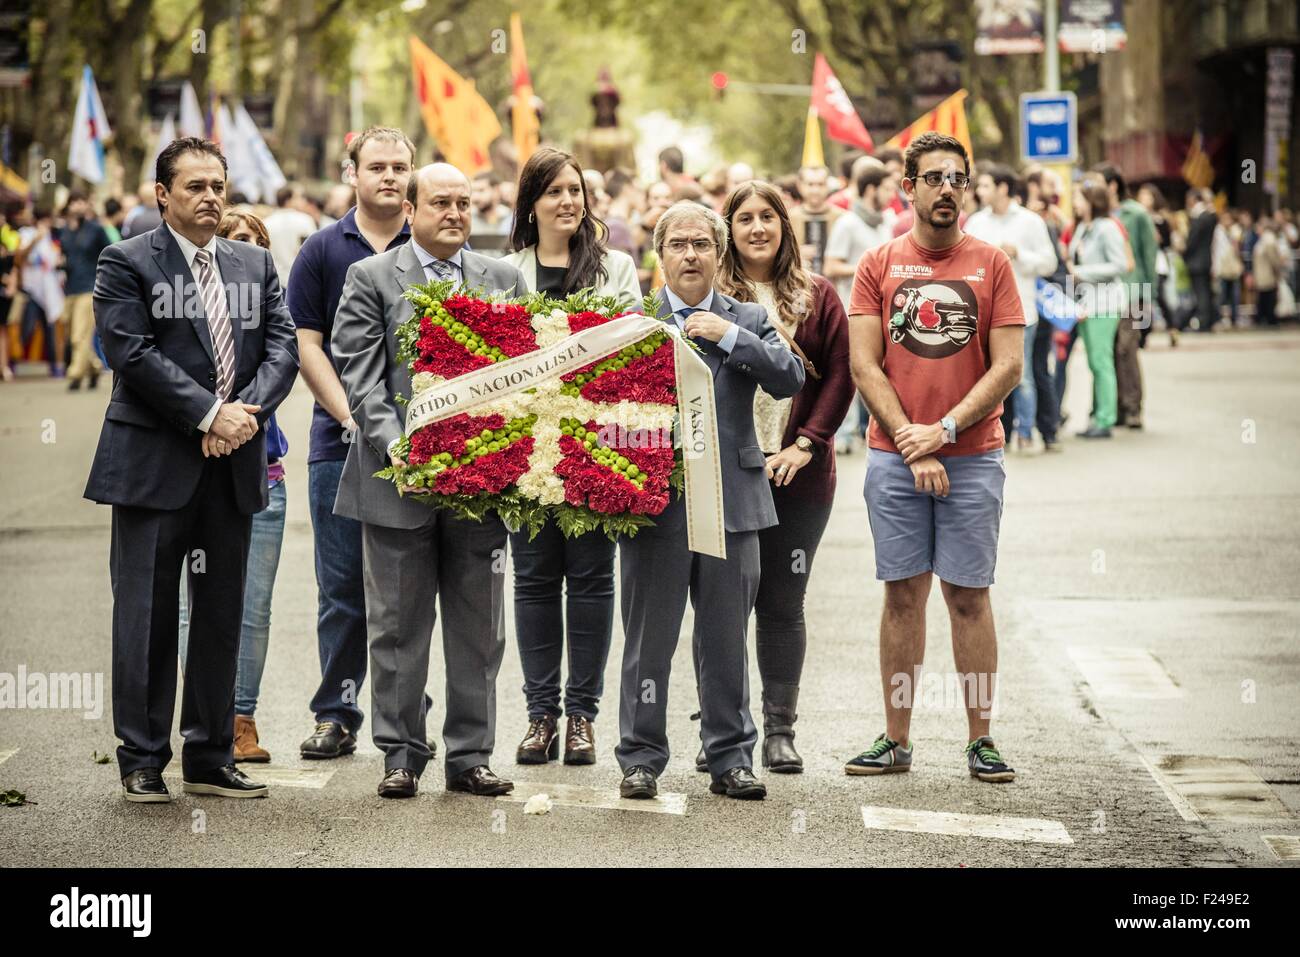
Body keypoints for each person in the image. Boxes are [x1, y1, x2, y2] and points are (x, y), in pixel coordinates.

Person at [84, 137, 299, 803]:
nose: (210, 196)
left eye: (217, 184)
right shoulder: (125, 262)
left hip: (232, 465)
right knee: (146, 612)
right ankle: (143, 757)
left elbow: (284, 345)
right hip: (155, 465)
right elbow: (132, 351)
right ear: (162, 195)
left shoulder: (255, 264)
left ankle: (209, 756)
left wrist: (245, 413)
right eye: (195, 186)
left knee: (220, 611)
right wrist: (209, 415)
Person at [331, 163, 528, 800]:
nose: (455, 214)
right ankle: (401, 753)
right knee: (395, 628)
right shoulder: (370, 278)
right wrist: (407, 452)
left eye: (464, 204)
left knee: (479, 629)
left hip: (481, 488)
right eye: (441, 202)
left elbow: (527, 376)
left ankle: (470, 755)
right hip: (398, 484)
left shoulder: (504, 279)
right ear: (410, 210)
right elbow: (360, 378)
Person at [844, 132, 1024, 783]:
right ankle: (896, 740)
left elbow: (1008, 367)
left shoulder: (992, 264)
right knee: (901, 597)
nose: (946, 188)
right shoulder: (879, 264)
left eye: (957, 178)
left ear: (967, 188)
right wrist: (910, 439)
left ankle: (981, 738)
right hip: (895, 459)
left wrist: (942, 431)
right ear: (908, 186)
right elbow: (865, 364)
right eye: (933, 178)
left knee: (969, 598)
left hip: (972, 456)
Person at [616, 200, 804, 802]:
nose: (691, 254)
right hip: (656, 509)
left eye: (702, 244)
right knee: (649, 640)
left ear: (719, 255)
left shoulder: (747, 315)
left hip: (734, 504)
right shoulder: (636, 318)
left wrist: (733, 335)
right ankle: (641, 758)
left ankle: (730, 758)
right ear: (660, 253)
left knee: (726, 637)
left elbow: (789, 377)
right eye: (679, 244)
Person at [502, 147, 640, 766]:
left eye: (575, 190)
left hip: (595, 450)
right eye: (553, 190)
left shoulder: (618, 269)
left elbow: (629, 355)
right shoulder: (503, 272)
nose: (567, 201)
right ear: (531, 203)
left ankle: (582, 717)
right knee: (532, 583)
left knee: (591, 580)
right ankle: (539, 718)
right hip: (522, 453)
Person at [717, 181, 854, 773]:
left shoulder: (817, 296)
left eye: (767, 217)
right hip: (727, 473)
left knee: (782, 603)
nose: (756, 228)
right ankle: (724, 731)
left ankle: (779, 732)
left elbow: (841, 377)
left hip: (799, 473)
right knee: (723, 606)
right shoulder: (712, 298)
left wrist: (806, 444)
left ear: (784, 225)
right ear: (729, 229)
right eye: (744, 218)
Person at [288, 126, 415, 761]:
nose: (388, 177)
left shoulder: (435, 250)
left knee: (408, 591)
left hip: (421, 452)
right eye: (377, 167)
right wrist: (354, 417)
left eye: (399, 167)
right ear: (353, 174)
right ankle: (337, 712)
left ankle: (409, 709)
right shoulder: (320, 250)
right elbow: (306, 344)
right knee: (341, 588)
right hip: (339, 445)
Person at [177, 209, 288, 763]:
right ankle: (202, 717)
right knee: (191, 607)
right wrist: (212, 418)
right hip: (192, 466)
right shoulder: (184, 297)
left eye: (254, 241)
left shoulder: (267, 296)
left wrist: (240, 418)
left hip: (260, 469)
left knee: (252, 608)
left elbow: (281, 357)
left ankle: (241, 719)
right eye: (233, 239)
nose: (244, 246)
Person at [966, 164, 1059, 450]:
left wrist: (1020, 255)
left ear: (1002, 188)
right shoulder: (975, 223)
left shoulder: (1030, 222)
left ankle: (1026, 432)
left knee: (1023, 375)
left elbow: (1049, 263)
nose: (979, 192)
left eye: (984, 186)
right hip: (982, 312)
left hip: (1022, 309)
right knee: (987, 376)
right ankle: (996, 434)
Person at [825, 161, 893, 453]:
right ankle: (844, 435)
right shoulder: (847, 223)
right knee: (853, 371)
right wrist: (867, 267)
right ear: (870, 189)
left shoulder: (887, 222)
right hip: (853, 310)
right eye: (887, 188)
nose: (892, 195)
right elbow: (831, 265)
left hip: (885, 310)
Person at [1069, 177, 1130, 439]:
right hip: (1086, 303)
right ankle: (1097, 414)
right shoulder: (1083, 227)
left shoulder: (1107, 228)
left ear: (1092, 200)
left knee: (1101, 361)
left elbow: (1120, 265)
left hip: (1104, 303)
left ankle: (1106, 418)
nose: (1074, 203)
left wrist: (1082, 272)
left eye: (1079, 198)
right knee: (1094, 362)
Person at [1096, 165, 1155, 428]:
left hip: (1134, 292)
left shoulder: (1137, 214)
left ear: (1112, 186)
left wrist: (1148, 296)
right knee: (1107, 351)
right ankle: (1115, 406)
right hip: (1106, 294)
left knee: (1126, 348)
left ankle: (1133, 407)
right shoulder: (1098, 216)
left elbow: (1148, 256)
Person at [56, 191, 112, 391]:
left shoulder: (96, 229)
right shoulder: (64, 231)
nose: (79, 206)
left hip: (90, 287)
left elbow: (111, 253)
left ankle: (75, 375)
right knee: (72, 333)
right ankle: (95, 367)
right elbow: (64, 257)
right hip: (70, 288)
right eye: (75, 202)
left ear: (87, 205)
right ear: (69, 206)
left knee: (80, 334)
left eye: (82, 202)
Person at [788, 164, 844, 275]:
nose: (815, 190)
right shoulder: (788, 218)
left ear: (828, 185)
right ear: (800, 186)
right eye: (810, 184)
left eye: (820, 184)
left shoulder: (842, 217)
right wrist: (795, 253)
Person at [264, 185, 318, 285]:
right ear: (289, 200)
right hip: (300, 279)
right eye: (298, 197)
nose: (302, 201)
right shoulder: (305, 221)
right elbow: (313, 251)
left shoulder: (266, 223)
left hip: (275, 280)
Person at [1184, 188, 1219, 333]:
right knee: (1205, 292)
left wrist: (1185, 253)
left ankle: (1204, 322)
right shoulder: (1208, 217)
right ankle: (1209, 320)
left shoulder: (1201, 217)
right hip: (1205, 260)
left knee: (1202, 294)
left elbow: (1192, 241)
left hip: (1197, 261)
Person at [1253, 220, 1286, 327]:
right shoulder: (1263, 239)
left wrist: (1277, 271)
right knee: (1264, 296)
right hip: (1263, 273)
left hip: (1268, 273)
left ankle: (1270, 318)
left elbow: (1273, 259)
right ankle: (1263, 317)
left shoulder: (1269, 240)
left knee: (1269, 297)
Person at [470, 170, 512, 239]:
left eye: (481, 190)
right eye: (473, 191)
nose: (475, 196)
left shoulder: (509, 218)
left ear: (496, 190)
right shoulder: (469, 219)